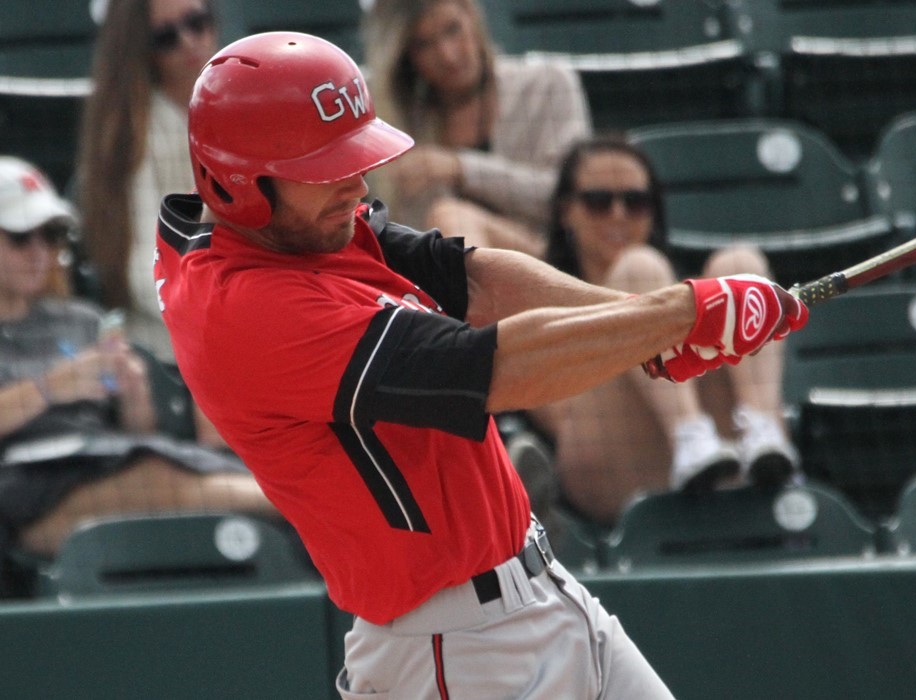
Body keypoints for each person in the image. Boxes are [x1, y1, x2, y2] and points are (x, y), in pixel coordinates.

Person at [157, 32, 805, 698]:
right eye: (324, 168)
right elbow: (489, 368)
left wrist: (641, 324)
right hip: (454, 652)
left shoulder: (302, 227)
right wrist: (673, 314)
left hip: (542, 595)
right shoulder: (245, 310)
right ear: (240, 182)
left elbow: (474, 280)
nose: (355, 183)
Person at [0, 155, 277, 571]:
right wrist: (50, 387)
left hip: (105, 458)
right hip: (26, 479)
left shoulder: (82, 319)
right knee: (154, 471)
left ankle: (294, 502)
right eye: (22, 238)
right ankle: (299, 501)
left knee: (153, 462)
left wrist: (131, 390)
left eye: (52, 235)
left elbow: (135, 432)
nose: (40, 252)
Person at [533, 137, 802, 525]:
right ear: (565, 212)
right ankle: (688, 435)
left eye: (636, 201)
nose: (618, 215)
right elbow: (557, 414)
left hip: (725, 457)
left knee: (739, 264)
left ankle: (762, 432)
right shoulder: (542, 293)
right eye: (597, 201)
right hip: (607, 456)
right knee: (637, 270)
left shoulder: (671, 283)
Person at [362, 0, 592, 257]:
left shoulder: (547, 84)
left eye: (453, 29)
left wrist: (460, 168)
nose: (448, 56)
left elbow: (574, 200)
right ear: (405, 57)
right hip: (446, 281)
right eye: (423, 45)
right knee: (451, 219)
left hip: (554, 259)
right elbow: (406, 236)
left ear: (472, 16)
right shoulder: (399, 123)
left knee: (454, 217)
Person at [75, 0, 220, 362]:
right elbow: (145, 277)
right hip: (172, 344)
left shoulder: (247, 99)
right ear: (139, 47)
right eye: (166, 36)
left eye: (197, 22)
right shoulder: (134, 134)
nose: (189, 42)